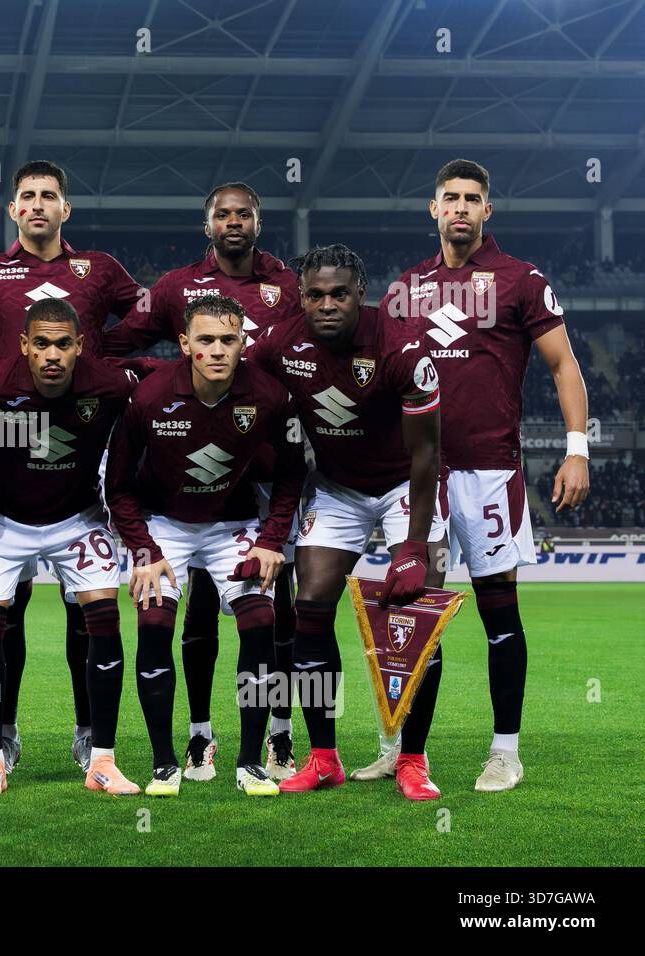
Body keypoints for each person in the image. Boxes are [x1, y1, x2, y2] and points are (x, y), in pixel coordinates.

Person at [375, 158, 590, 792]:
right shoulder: (405, 288)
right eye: (451, 198)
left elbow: (564, 365)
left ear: (487, 211)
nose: (462, 208)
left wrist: (576, 449)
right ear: (433, 209)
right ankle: (405, 749)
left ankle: (505, 750)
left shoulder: (522, 281)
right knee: (419, 612)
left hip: (492, 472)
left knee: (500, 614)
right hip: (421, 476)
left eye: (473, 198)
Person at [0, 159, 145, 774]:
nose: (39, 205)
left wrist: (103, 363)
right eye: (28, 196)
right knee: (6, 615)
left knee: (89, 613)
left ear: (65, 209)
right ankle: (5, 731)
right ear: (13, 209)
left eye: (50, 196)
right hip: (10, 427)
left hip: (84, 441)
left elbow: (152, 320)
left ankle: (88, 732)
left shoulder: (97, 270)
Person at [103, 181, 304, 782]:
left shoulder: (287, 290)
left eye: (245, 213)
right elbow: (119, 481)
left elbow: (294, 468)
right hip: (168, 512)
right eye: (224, 214)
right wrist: (140, 372)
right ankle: (182, 750)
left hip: (251, 493)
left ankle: (272, 744)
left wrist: (272, 535)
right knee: (170, 617)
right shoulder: (170, 304)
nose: (235, 222)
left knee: (279, 614)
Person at [251, 244, 447, 799]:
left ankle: (412, 758)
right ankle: (323, 758)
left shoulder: (404, 348)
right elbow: (240, 390)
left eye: (339, 294)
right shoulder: (279, 344)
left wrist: (410, 547)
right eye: (315, 295)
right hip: (337, 488)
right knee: (310, 609)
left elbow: (427, 455)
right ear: (302, 297)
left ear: (362, 294)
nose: (327, 305)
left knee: (417, 621)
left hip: (405, 483)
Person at [0, 298, 148, 797]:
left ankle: (102, 757)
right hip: (3, 521)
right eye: (40, 343)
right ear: (23, 345)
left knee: (103, 620)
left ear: (80, 346)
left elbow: (161, 374)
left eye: (63, 344)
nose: (52, 355)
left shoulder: (108, 384)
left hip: (78, 520)